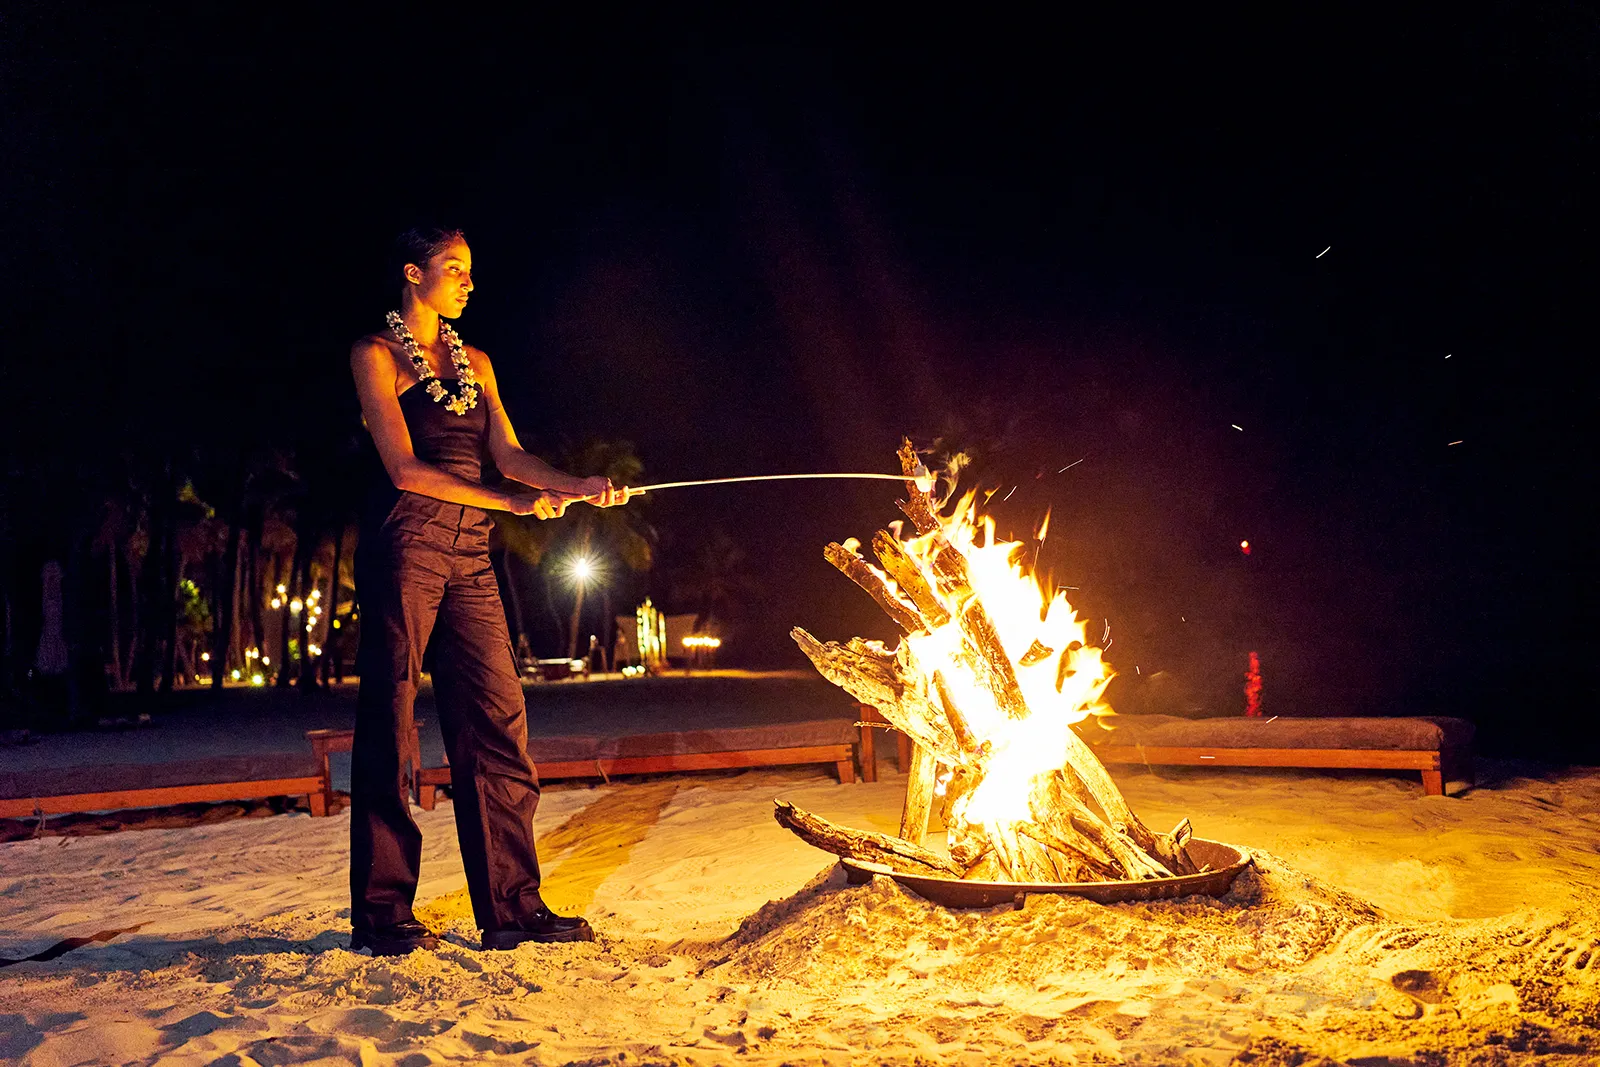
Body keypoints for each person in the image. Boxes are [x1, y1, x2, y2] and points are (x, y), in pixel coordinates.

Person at [348, 226, 631, 956]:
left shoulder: (475, 362)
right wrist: (508, 501)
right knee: (393, 723)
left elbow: (506, 453)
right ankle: (384, 914)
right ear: (414, 273)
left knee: (498, 722)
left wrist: (577, 486)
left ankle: (512, 908)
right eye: (454, 269)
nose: (469, 282)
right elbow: (404, 469)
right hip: (406, 545)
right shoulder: (375, 356)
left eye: (471, 270)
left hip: (470, 556)